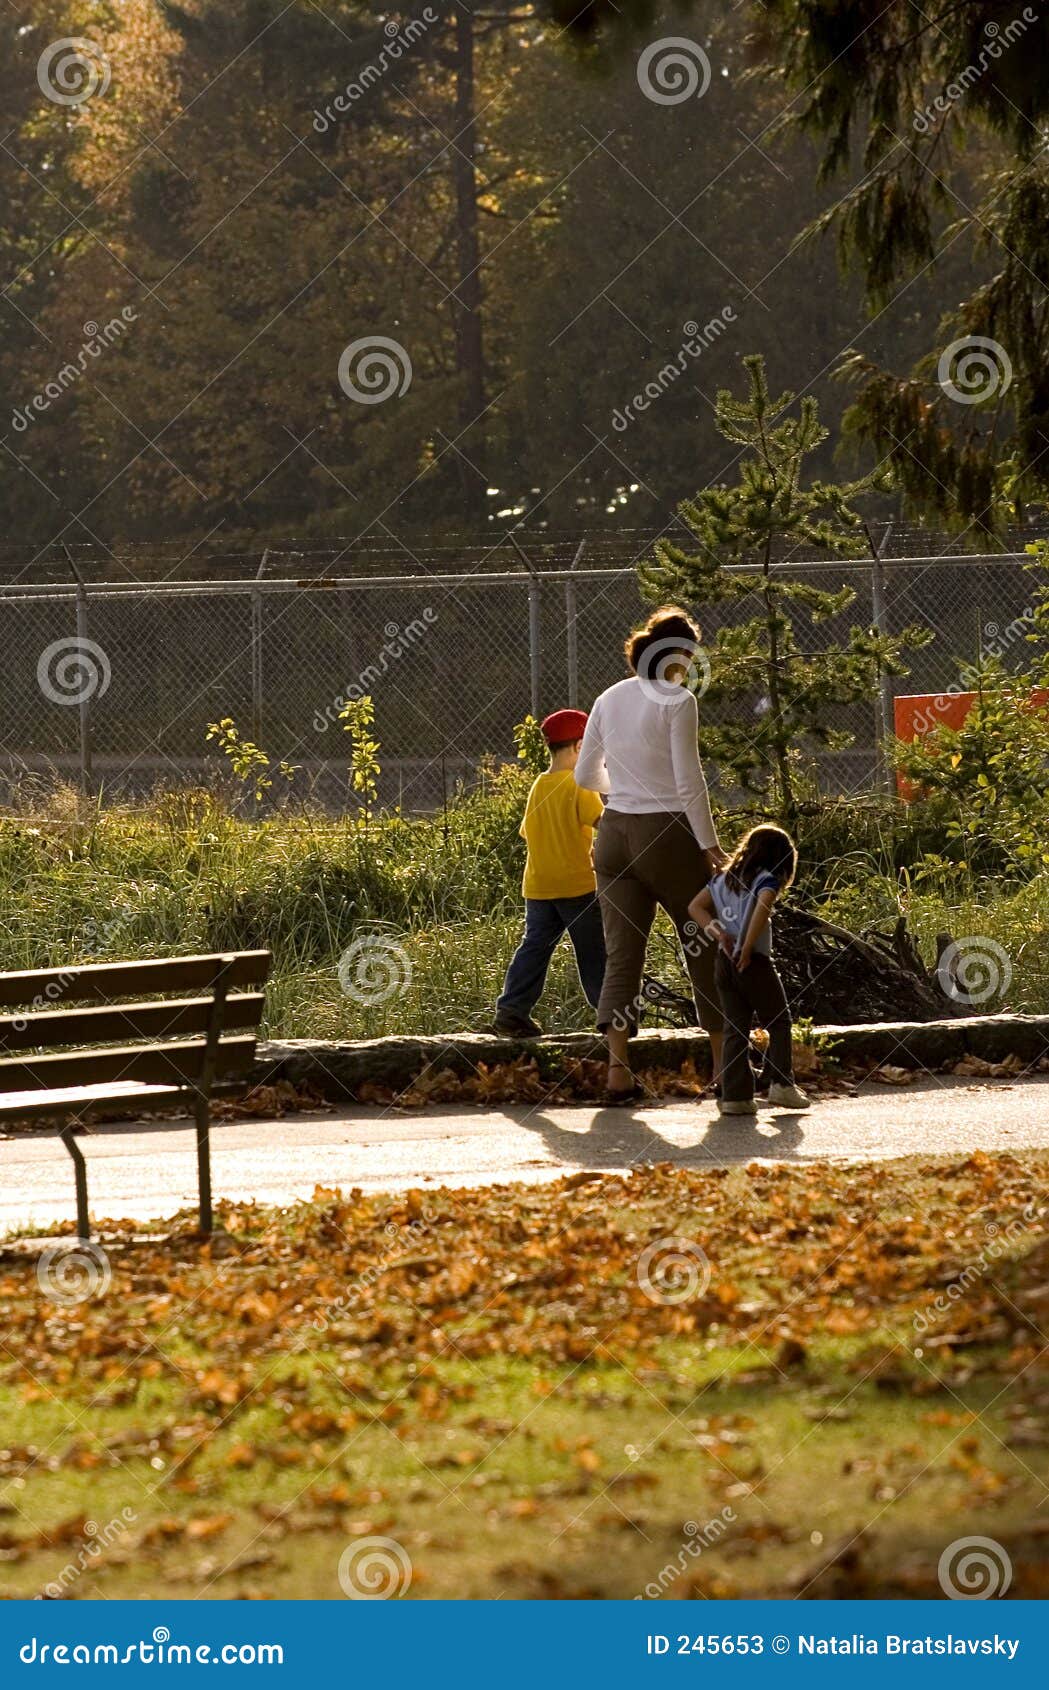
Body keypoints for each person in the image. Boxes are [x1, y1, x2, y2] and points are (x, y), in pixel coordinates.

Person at [574, 606, 727, 1102]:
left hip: (614, 834)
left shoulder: (608, 697)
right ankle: (727, 1070)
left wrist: (624, 795)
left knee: (622, 956)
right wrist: (709, 845)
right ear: (678, 654)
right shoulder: (678, 701)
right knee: (702, 944)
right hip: (668, 835)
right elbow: (689, 781)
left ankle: (619, 1074)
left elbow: (583, 777)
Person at [491, 708, 606, 1038]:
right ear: (580, 746)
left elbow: (528, 832)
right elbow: (605, 824)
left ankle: (512, 1011)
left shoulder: (539, 785)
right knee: (595, 952)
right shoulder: (579, 784)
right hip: (577, 885)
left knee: (534, 948)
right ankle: (612, 1018)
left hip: (539, 886)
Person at [688, 824, 811, 1116]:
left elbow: (695, 907)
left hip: (723, 961)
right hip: (752, 960)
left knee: (735, 1027)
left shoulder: (722, 881)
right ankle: (781, 1083)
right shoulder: (766, 880)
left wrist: (720, 934)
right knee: (779, 1021)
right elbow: (762, 908)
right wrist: (746, 946)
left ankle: (735, 1096)